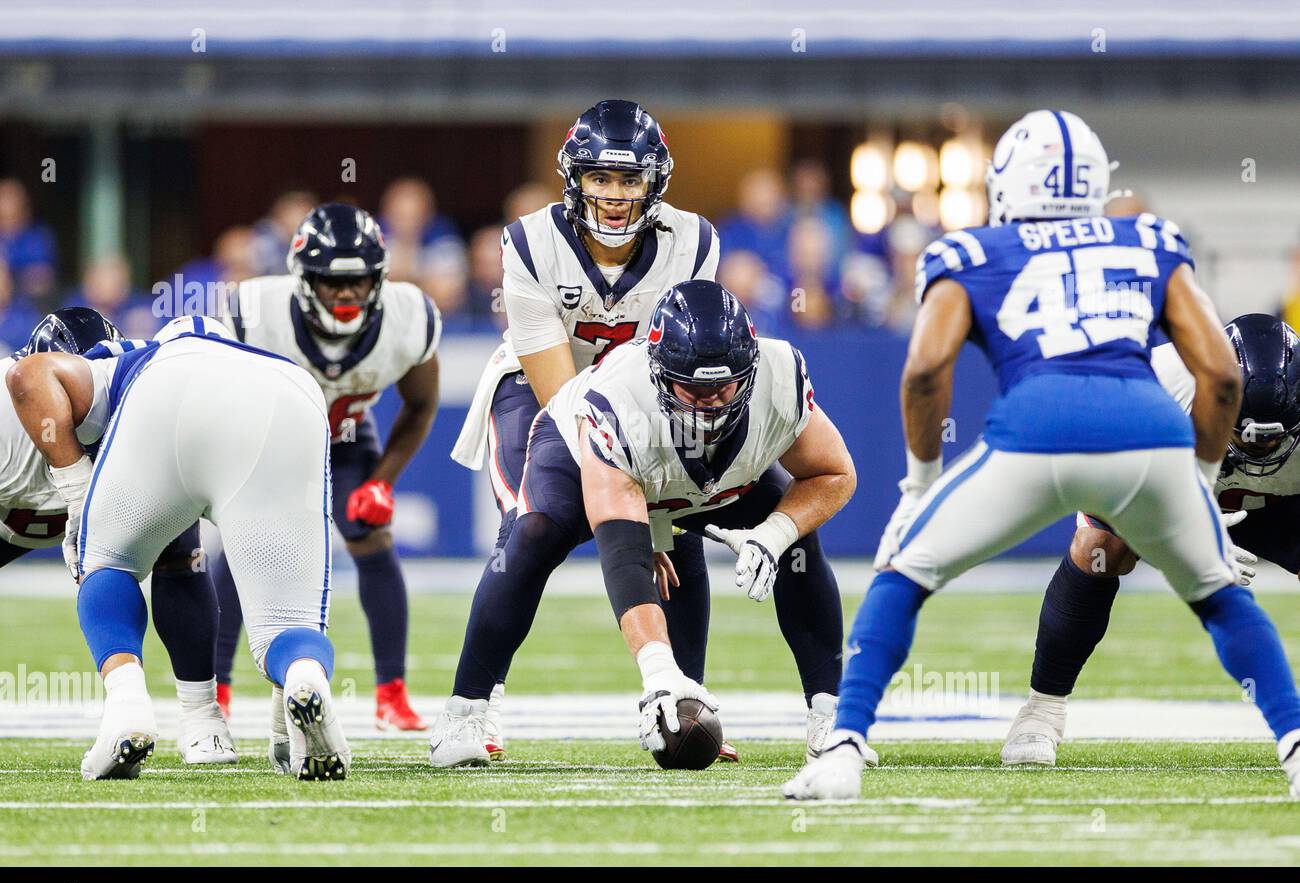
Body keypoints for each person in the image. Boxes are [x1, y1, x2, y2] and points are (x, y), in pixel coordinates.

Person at [784, 109, 1300, 800]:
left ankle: (843, 750)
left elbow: (925, 371)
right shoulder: (1148, 239)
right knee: (1221, 602)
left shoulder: (968, 252)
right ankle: (1295, 748)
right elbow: (1223, 375)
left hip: (1035, 429)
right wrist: (1198, 484)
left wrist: (921, 483)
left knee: (903, 573)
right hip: (1143, 430)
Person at [432, 280, 850, 766]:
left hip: (707, 473)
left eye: (723, 386)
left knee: (798, 544)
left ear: (750, 371)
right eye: (693, 387)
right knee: (532, 536)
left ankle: (831, 715)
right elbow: (626, 559)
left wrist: (774, 534)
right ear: (659, 373)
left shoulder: (779, 377)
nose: (710, 402)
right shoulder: (621, 401)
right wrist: (656, 672)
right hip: (576, 452)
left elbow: (835, 473)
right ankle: (464, 711)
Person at [441, 99, 724, 764]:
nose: (616, 196)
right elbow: (564, 399)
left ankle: (687, 703)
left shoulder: (693, 243)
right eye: (600, 178)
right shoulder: (531, 243)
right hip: (545, 397)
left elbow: (678, 372)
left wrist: (655, 516)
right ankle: (467, 708)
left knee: (679, 533)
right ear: (574, 178)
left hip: (651, 404)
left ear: (654, 184)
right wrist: (626, 513)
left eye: (630, 180)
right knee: (536, 527)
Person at [5, 319, 347, 780]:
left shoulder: (114, 369)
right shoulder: (215, 363)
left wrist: (77, 494)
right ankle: (305, 677)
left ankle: (128, 710)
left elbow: (29, 376)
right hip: (291, 393)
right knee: (289, 623)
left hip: (162, 394)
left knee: (109, 563)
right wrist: (284, 730)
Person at [1002, 313, 1295, 765]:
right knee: (1098, 550)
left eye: (1272, 444)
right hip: (1166, 488)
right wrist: (1184, 539)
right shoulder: (1153, 386)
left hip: (1282, 504)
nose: (1258, 455)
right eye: (1246, 437)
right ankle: (1042, 713)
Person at [214, 202, 441, 737]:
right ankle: (215, 692)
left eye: (359, 282)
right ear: (302, 280)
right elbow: (219, 397)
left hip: (345, 437)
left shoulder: (408, 319)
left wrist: (383, 479)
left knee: (371, 536)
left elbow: (420, 406)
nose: (346, 295)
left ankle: (392, 694)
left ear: (379, 280)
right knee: (243, 547)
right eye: (331, 282)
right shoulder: (255, 312)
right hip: (266, 439)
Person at [1, 311, 237, 765]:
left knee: (182, 555)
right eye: (63, 386)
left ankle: (202, 717)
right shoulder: (7, 423)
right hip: (8, 516)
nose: (73, 397)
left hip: (103, 492)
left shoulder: (129, 396)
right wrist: (78, 493)